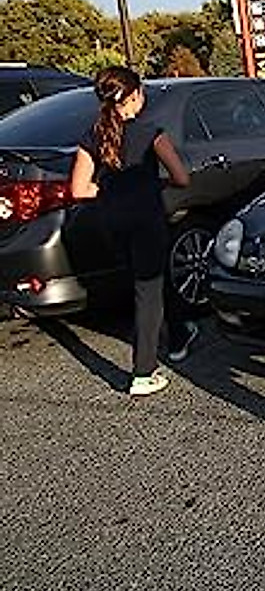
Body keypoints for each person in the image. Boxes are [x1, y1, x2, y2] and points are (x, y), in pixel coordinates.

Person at [70, 66, 198, 396]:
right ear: (135, 95)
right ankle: (144, 372)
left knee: (149, 279)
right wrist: (151, 185)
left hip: (112, 222)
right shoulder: (152, 132)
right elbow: (182, 177)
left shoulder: (92, 136)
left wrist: (113, 190)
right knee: (148, 291)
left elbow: (79, 189)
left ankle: (181, 332)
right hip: (147, 219)